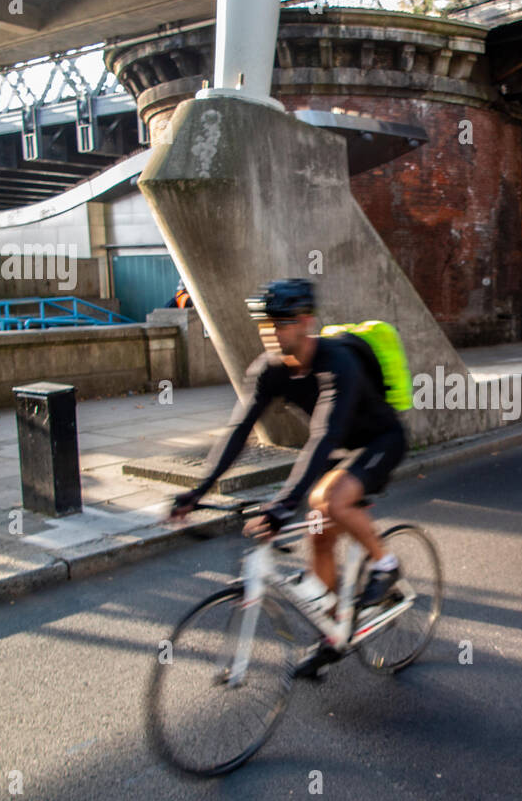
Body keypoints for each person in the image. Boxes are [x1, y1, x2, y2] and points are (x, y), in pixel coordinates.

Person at [169, 278, 407, 671]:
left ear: (307, 322)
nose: (272, 332)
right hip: (340, 450)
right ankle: (334, 632)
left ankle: (385, 564)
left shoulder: (337, 363)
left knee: (327, 500)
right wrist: (198, 490)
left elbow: (323, 436)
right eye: (267, 323)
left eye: (281, 322)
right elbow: (239, 432)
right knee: (318, 532)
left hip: (380, 440)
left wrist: (282, 505)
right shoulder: (270, 371)